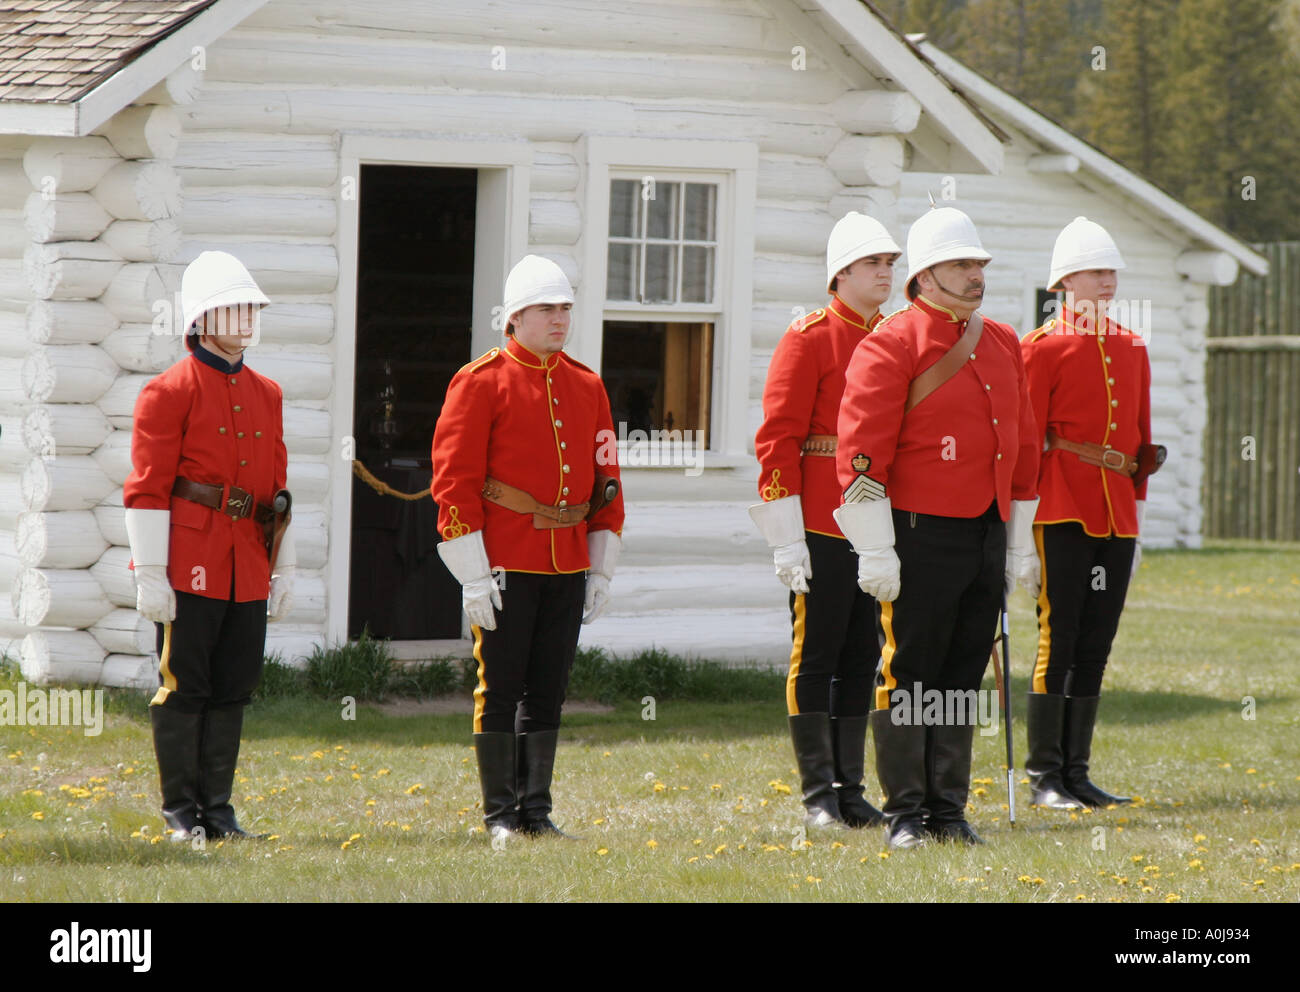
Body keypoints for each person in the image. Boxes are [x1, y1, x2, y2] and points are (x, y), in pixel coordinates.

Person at [833, 206, 1041, 848]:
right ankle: (905, 815)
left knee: (962, 672)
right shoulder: (891, 343)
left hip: (984, 530)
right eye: (961, 265)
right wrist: (875, 549)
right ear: (924, 276)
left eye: (979, 264)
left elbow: (1024, 447)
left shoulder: (1003, 339)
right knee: (909, 672)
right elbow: (862, 454)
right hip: (917, 535)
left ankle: (948, 811)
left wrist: (1016, 543)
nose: (976, 275)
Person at [432, 254, 625, 841]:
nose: (560, 319)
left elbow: (606, 482)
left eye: (566, 308)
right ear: (515, 317)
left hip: (567, 558)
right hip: (505, 559)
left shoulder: (587, 384)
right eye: (547, 308)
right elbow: (453, 482)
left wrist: (600, 566)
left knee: (548, 688)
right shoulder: (480, 380)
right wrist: (471, 572)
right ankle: (500, 817)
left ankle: (535, 813)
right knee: (501, 685)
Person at [124, 250, 294, 842]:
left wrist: (283, 566)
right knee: (184, 685)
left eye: (251, 307)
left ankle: (217, 813)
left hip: (246, 561)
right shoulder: (166, 391)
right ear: (200, 318)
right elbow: (146, 490)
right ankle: (180, 815)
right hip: (188, 560)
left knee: (233, 687)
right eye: (233, 308)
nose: (246, 318)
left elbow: (278, 490)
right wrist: (150, 572)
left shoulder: (268, 393)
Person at [751, 212, 901, 829]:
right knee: (816, 653)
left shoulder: (895, 337)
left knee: (863, 651)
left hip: (878, 523)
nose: (886, 273)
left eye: (892, 263)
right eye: (874, 264)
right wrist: (786, 535)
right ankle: (818, 793)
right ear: (841, 273)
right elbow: (777, 439)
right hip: (817, 519)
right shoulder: (809, 337)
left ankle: (851, 788)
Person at [1021, 217, 1158, 809]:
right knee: (1060, 635)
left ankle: (1077, 772)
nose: (1108, 281)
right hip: (1059, 505)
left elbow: (1140, 439)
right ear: (1064, 281)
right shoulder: (1039, 348)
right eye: (1097, 271)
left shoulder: (1132, 346)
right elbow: (1026, 442)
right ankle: (1044, 775)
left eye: (1111, 272)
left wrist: (1139, 509)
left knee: (1097, 641)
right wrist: (1020, 533)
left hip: (1116, 510)